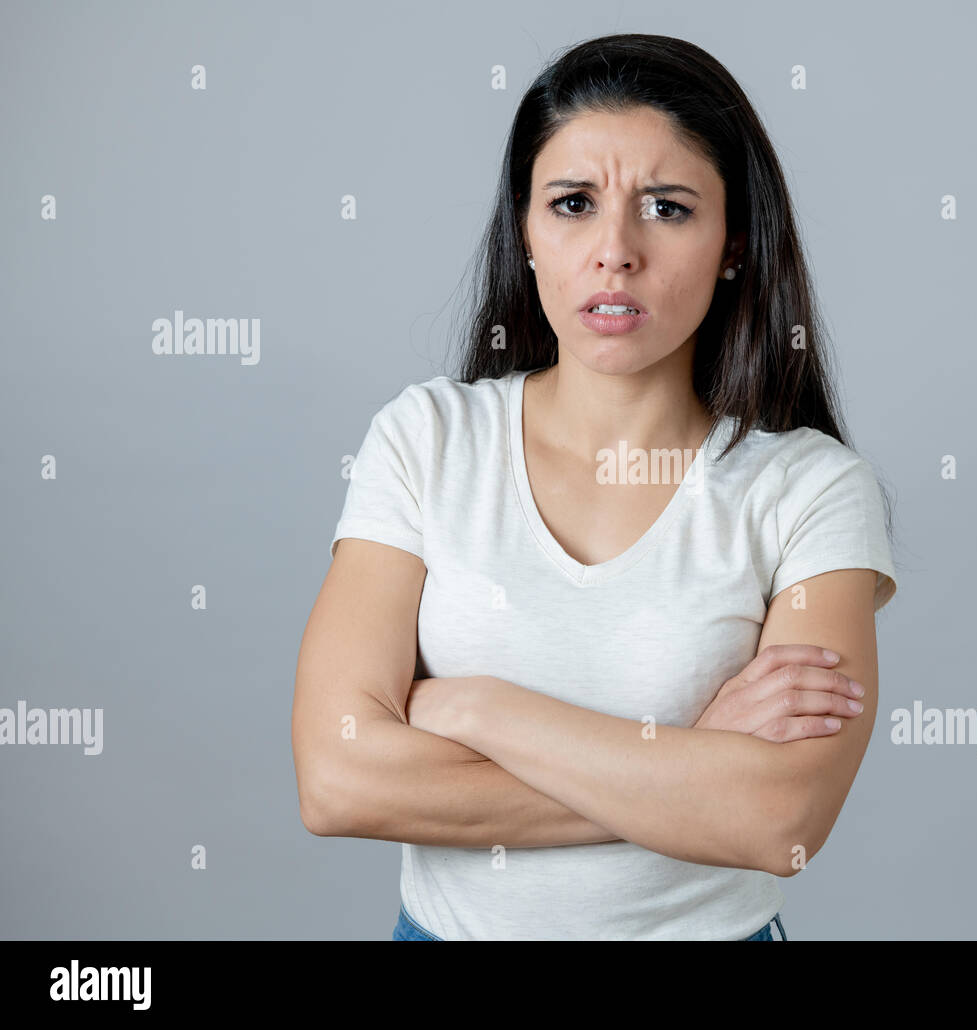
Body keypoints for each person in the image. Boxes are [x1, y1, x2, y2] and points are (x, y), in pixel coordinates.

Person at [291, 32, 899, 941]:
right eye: (572, 203)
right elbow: (337, 783)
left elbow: (779, 823)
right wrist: (693, 767)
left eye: (667, 206)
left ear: (734, 244)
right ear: (527, 233)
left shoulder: (810, 490)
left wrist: (476, 706)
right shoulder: (426, 440)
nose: (615, 250)